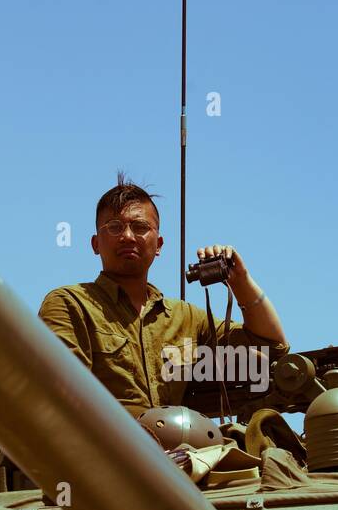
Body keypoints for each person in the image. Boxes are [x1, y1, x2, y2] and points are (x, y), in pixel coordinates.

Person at [38, 176, 289, 416]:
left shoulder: (186, 319)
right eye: (114, 227)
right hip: (102, 452)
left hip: (176, 453)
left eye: (140, 227)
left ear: (158, 245)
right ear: (95, 244)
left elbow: (271, 349)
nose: (127, 236)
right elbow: (60, 393)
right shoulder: (70, 304)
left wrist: (240, 280)